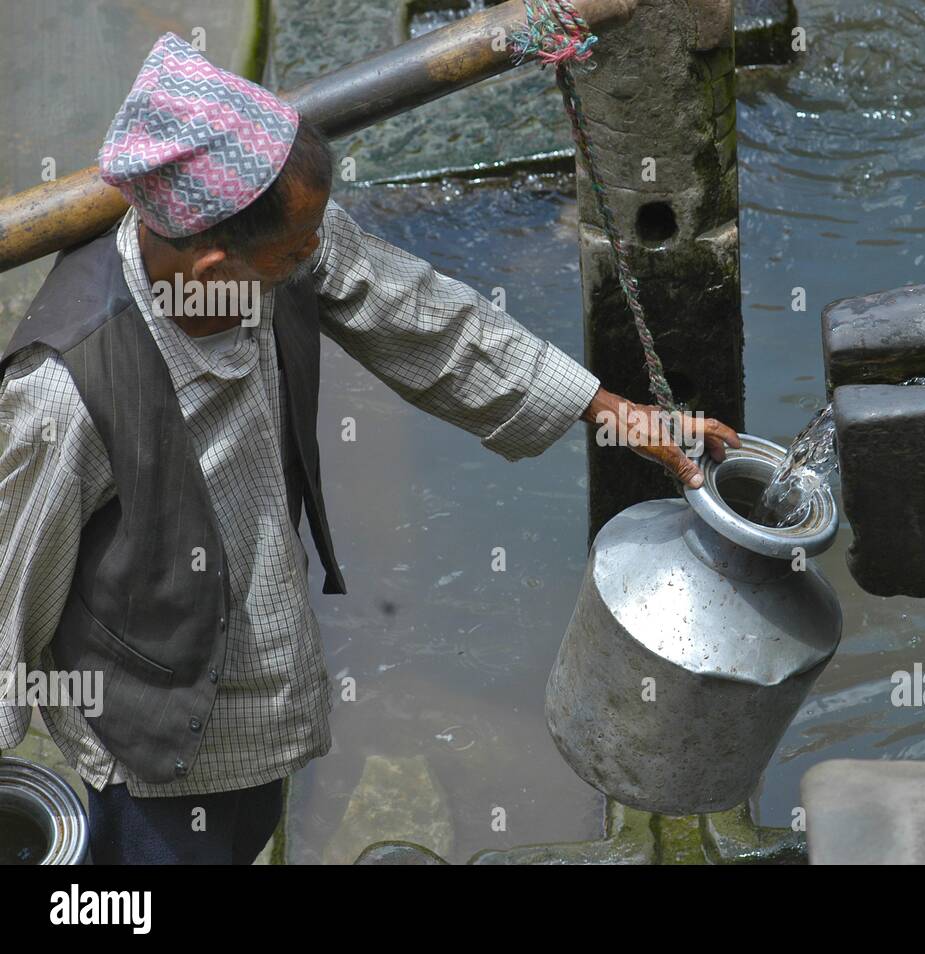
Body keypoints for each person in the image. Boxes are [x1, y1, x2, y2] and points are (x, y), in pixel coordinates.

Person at [0, 32, 739, 864]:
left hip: (257, 665)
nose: (319, 254)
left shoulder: (278, 245)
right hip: (154, 738)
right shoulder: (64, 395)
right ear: (212, 267)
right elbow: (7, 597)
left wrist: (612, 412)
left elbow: (430, 318)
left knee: (246, 830)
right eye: (296, 252)